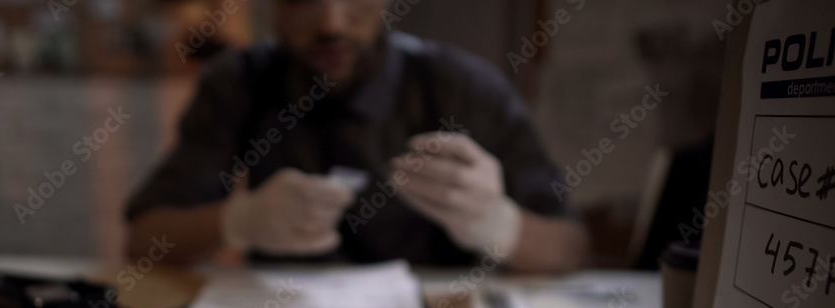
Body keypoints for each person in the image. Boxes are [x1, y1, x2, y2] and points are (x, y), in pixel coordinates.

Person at [126, 0, 589, 272]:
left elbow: (572, 247)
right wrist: (235, 222)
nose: (330, 22)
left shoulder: (463, 86)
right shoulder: (238, 82)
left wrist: (500, 226)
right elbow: (143, 242)